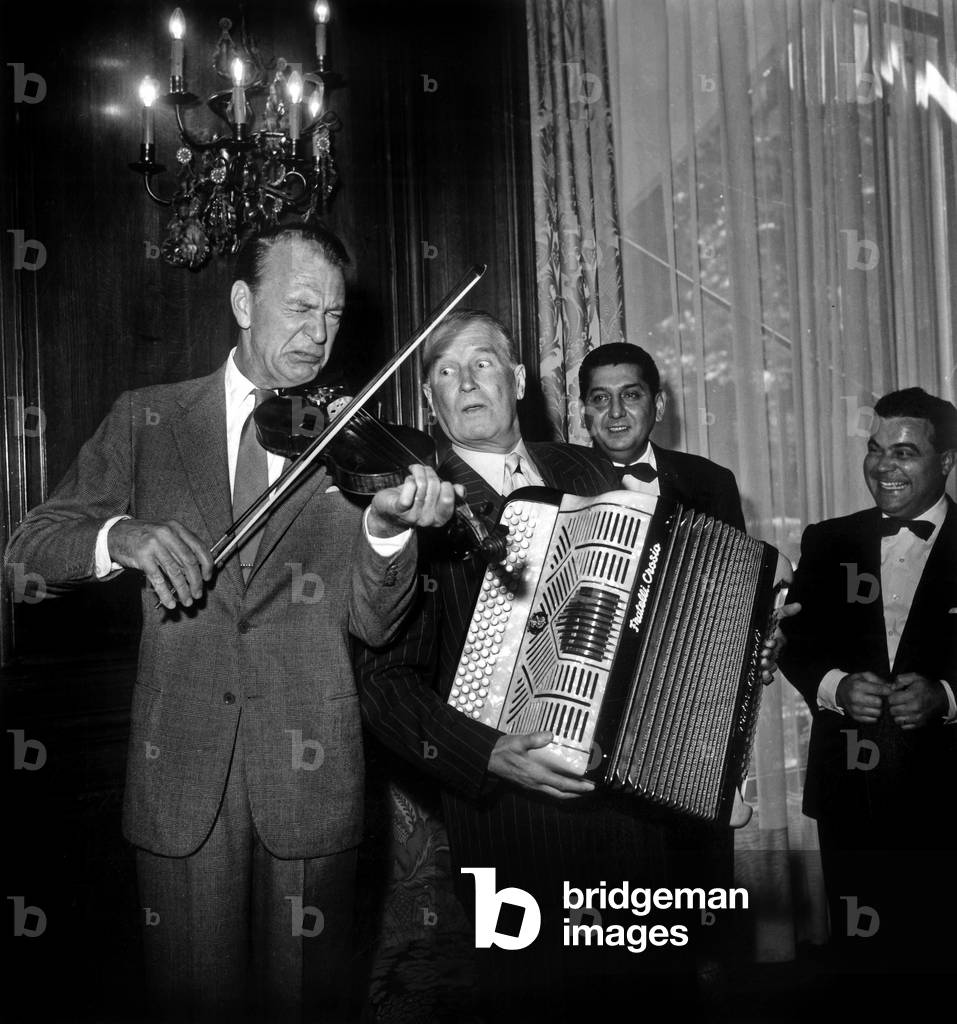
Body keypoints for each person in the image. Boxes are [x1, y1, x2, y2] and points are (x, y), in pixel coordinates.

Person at [4, 223, 459, 1023]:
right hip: (180, 776)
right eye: (300, 307)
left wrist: (389, 531)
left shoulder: (355, 443)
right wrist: (123, 537)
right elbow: (25, 559)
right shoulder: (148, 418)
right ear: (244, 303)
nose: (318, 336)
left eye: (334, 316)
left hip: (309, 782)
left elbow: (377, 624)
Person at [356, 310, 785, 1020]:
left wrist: (741, 647)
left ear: (519, 379)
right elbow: (381, 686)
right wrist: (487, 754)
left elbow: (662, 608)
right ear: (428, 398)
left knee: (656, 997)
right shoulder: (410, 503)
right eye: (444, 372)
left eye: (483, 362)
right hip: (511, 823)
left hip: (635, 806)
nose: (466, 382)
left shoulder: (588, 468)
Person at [779, 386, 957, 981]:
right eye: (876, 449)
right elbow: (795, 645)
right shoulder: (828, 541)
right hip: (851, 794)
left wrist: (948, 697)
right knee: (863, 970)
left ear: (947, 462)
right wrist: (834, 686)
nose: (883, 466)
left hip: (947, 795)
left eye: (904, 452)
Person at [578, 342, 745, 529]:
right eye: (601, 398)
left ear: (658, 406)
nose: (616, 412)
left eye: (630, 395)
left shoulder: (713, 483)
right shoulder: (555, 482)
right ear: (583, 412)